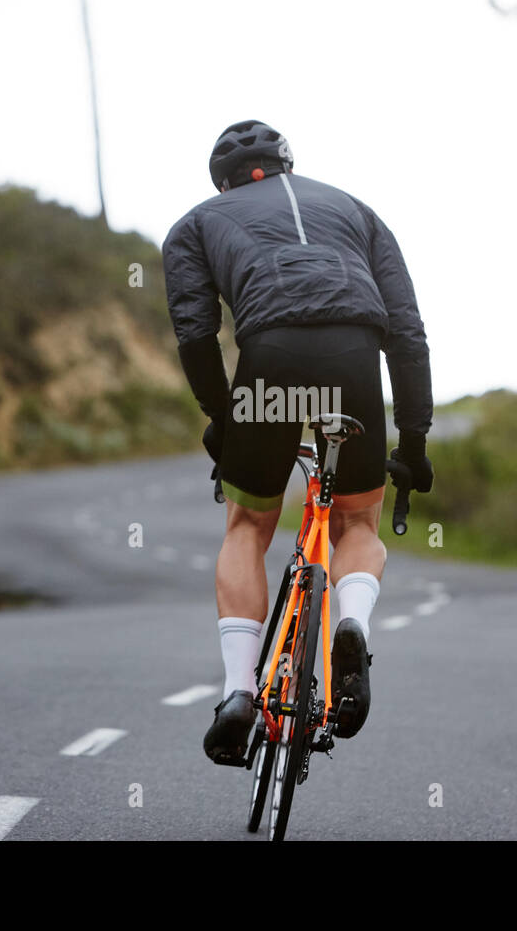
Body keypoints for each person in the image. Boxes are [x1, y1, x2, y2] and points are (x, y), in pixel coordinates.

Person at [163, 120, 433, 765]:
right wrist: (414, 437)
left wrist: (223, 418)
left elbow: (196, 338)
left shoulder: (195, 224)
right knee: (356, 521)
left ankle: (237, 693)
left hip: (270, 357)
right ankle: (351, 625)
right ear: (288, 165)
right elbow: (408, 331)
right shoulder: (356, 210)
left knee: (249, 525)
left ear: (223, 181)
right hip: (354, 357)